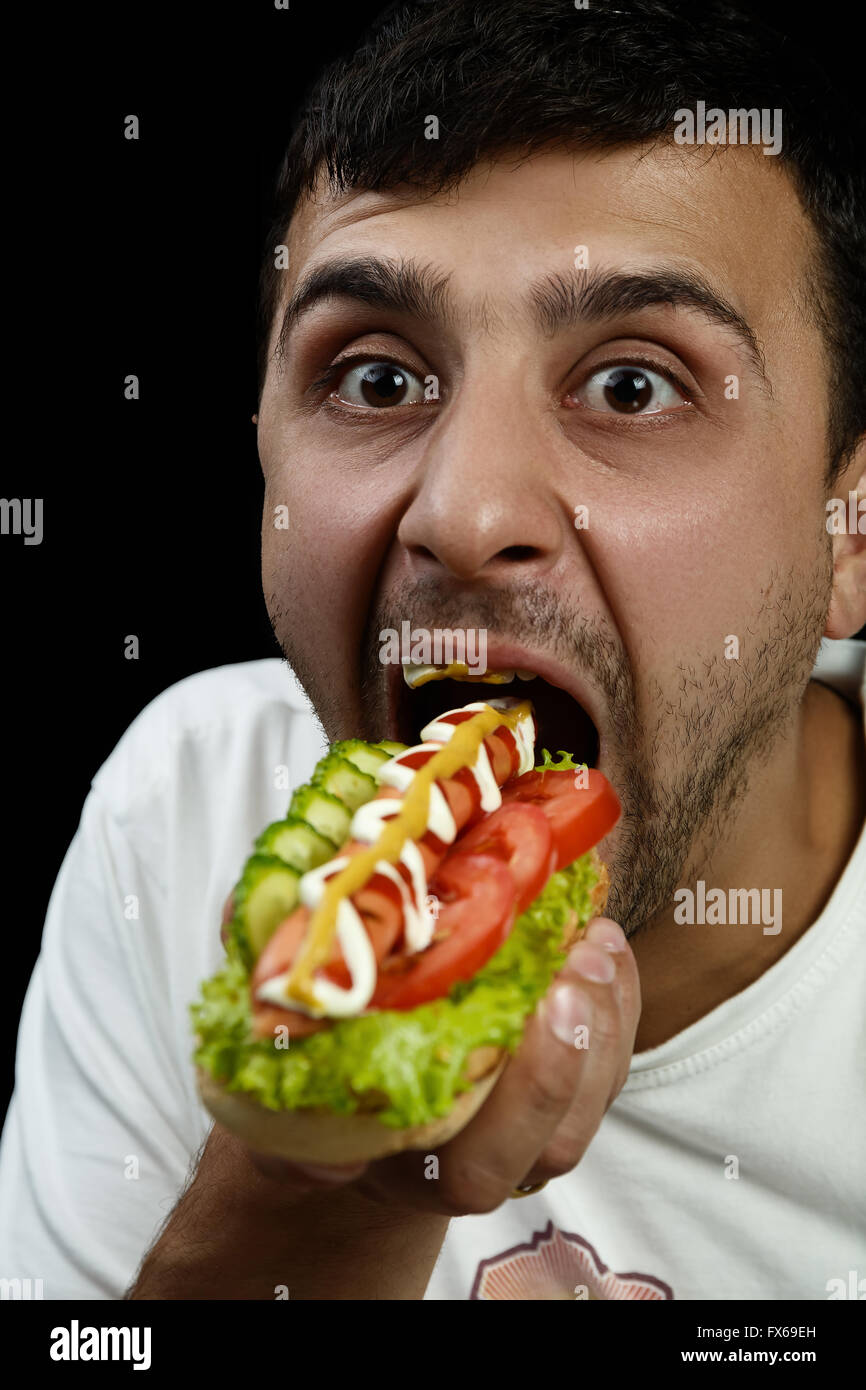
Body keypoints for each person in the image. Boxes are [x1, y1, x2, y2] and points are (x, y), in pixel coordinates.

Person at [1, 0, 863, 1301]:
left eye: (631, 384)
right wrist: (306, 1218)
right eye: (377, 379)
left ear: (847, 534)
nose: (462, 515)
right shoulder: (177, 807)